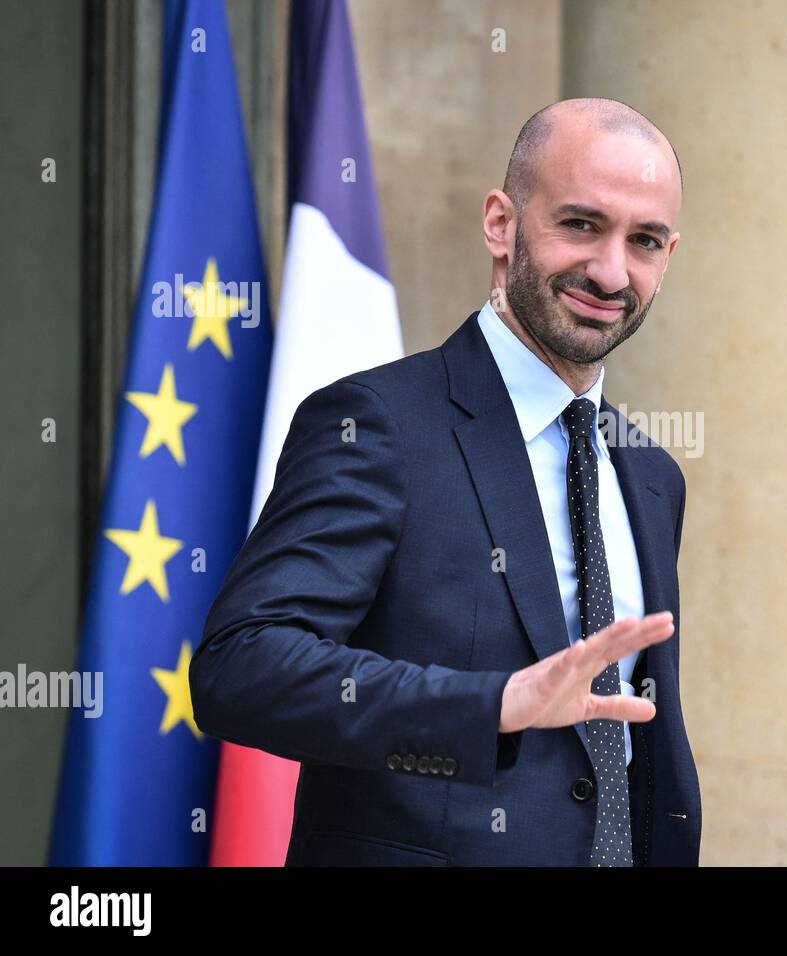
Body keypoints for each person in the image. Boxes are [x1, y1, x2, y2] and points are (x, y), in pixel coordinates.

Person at [191, 97, 701, 866]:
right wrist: (493, 707)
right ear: (501, 223)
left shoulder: (652, 476)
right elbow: (242, 669)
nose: (610, 270)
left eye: (645, 241)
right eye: (581, 224)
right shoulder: (377, 425)